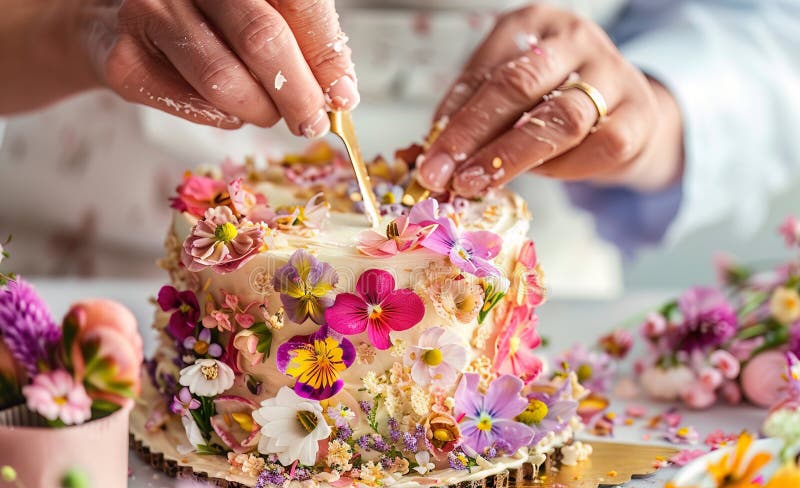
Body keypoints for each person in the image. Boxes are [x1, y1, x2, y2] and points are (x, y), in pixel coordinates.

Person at [1, 0, 799, 276]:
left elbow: (765, 33)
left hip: (530, 319)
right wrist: (72, 25)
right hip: (85, 295)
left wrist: (653, 110)